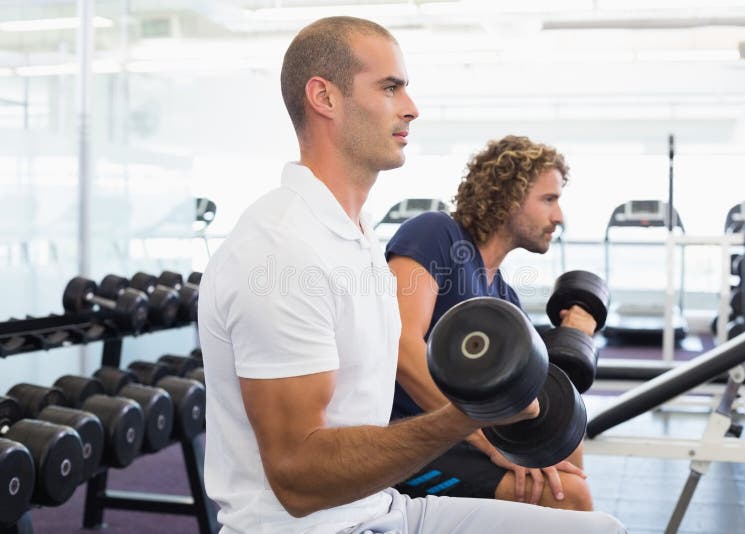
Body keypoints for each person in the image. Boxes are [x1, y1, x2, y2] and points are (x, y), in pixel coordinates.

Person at [198, 16, 626, 534]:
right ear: (324, 97)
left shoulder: (354, 237)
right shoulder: (281, 250)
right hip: (312, 528)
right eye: (390, 87)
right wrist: (472, 419)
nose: (412, 108)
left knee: (596, 526)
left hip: (379, 509)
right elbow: (297, 481)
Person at [385, 135, 598, 510]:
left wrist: (575, 334)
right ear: (508, 197)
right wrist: (486, 439)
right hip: (403, 440)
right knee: (570, 497)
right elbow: (400, 346)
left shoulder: (504, 298)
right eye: (549, 200)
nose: (559, 216)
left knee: (568, 440)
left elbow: (537, 389)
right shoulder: (436, 235)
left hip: (459, 438)